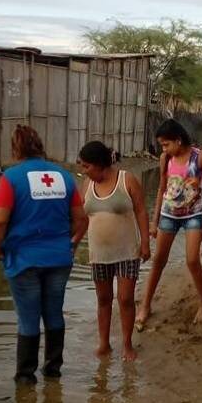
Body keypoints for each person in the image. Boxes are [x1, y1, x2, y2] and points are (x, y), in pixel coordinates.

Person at [0, 125, 88, 383]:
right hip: (59, 258)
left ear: (15, 148)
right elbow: (81, 220)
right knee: (54, 313)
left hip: (24, 260)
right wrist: (71, 244)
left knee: (28, 318)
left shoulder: (11, 178)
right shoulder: (64, 176)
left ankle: (25, 377)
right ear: (40, 145)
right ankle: (53, 370)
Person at [136, 119, 202, 328]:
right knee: (159, 261)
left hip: (193, 215)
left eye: (165, 144)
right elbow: (162, 189)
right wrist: (155, 222)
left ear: (178, 140)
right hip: (169, 215)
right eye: (162, 145)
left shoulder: (200, 157)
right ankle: (145, 305)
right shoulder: (165, 158)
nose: (163, 149)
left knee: (192, 260)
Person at [78, 140, 151, 361]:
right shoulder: (87, 185)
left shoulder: (126, 179)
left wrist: (145, 243)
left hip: (127, 251)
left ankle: (127, 345)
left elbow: (141, 211)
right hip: (99, 254)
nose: (83, 170)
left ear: (100, 164)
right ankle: (104, 344)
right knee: (103, 298)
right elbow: (81, 218)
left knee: (126, 298)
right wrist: (71, 242)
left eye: (87, 166)